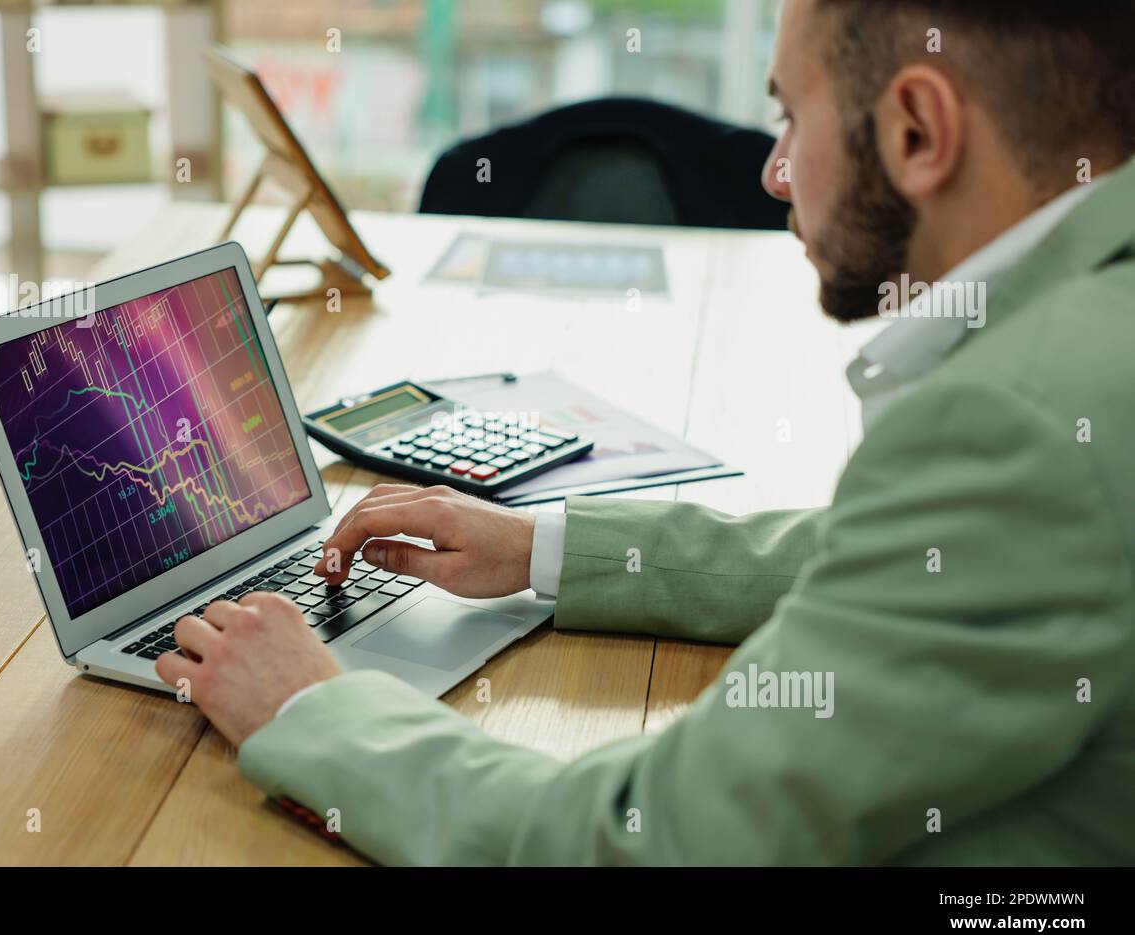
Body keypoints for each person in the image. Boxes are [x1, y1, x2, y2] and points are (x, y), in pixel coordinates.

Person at [155, 0, 1135, 864]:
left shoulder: (1017, 424)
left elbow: (645, 841)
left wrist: (309, 711)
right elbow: (928, 562)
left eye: (792, 117)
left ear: (919, 128)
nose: (775, 172)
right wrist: (545, 547)